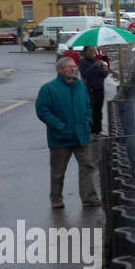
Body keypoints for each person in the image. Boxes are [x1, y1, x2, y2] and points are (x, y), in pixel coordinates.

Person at [35, 56, 100, 209]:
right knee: (58, 171)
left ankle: (89, 198)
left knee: (87, 167)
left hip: (81, 135)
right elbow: (42, 111)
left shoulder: (81, 87)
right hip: (60, 138)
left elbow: (88, 106)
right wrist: (59, 126)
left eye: (74, 66)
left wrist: (87, 121)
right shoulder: (48, 88)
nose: (74, 69)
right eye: (69, 67)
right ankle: (56, 199)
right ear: (60, 70)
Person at [79, 46, 110, 135]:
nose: (93, 52)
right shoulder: (83, 62)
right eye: (90, 50)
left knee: (98, 110)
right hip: (90, 89)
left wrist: (105, 70)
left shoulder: (97, 61)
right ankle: (91, 130)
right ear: (85, 52)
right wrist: (95, 66)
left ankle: (98, 130)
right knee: (91, 111)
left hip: (100, 89)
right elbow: (84, 74)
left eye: (94, 50)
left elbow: (102, 75)